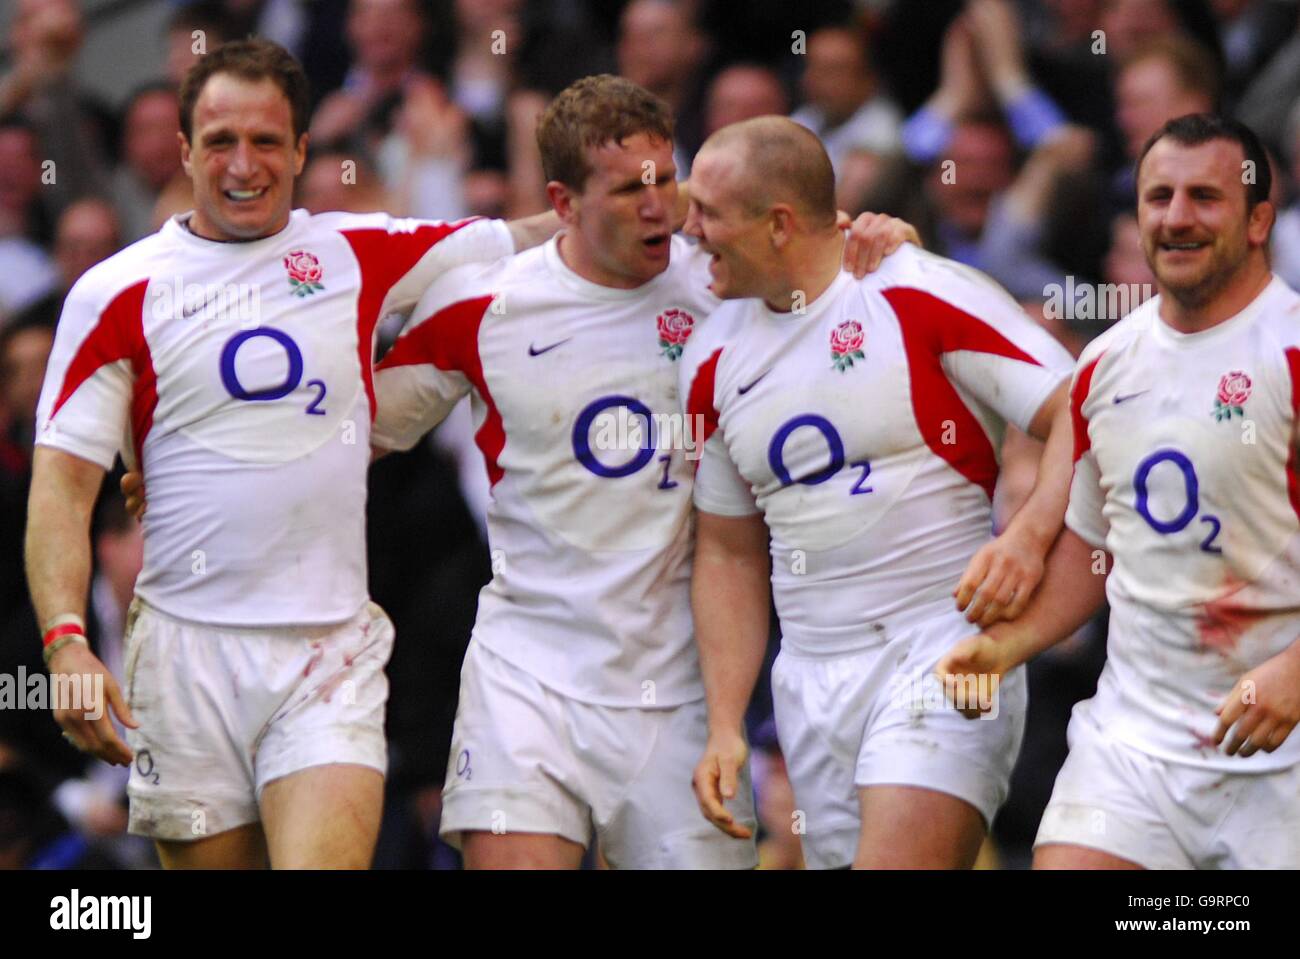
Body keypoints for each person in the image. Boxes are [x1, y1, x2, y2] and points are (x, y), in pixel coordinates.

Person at [26, 38, 558, 870]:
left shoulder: (355, 251)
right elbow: (60, 485)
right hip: (184, 656)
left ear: (304, 150)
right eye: (221, 142)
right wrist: (65, 642)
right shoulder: (117, 291)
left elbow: (520, 237)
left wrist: (662, 203)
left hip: (328, 652)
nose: (245, 164)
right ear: (184, 151)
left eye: (268, 141)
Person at [369, 75, 917, 869]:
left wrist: (889, 250)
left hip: (682, 691)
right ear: (561, 201)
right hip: (528, 677)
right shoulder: (483, 304)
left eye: (668, 178)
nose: (659, 205)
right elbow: (355, 430)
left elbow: (850, 299)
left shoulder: (729, 287)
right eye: (629, 189)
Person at [679, 116, 1076, 869]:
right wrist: (727, 720)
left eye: (707, 211)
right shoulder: (708, 357)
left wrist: (1027, 535)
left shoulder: (918, 291)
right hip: (811, 681)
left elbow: (1081, 411)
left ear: (779, 224)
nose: (687, 228)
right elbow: (728, 552)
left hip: (942, 647)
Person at [936, 113, 1300, 870]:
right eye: (1158, 196)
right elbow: (1097, 548)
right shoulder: (1105, 363)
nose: (1176, 217)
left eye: (1205, 196)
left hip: (1283, 755)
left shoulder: (1291, 353)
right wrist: (1006, 646)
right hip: (1135, 749)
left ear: (1260, 217)